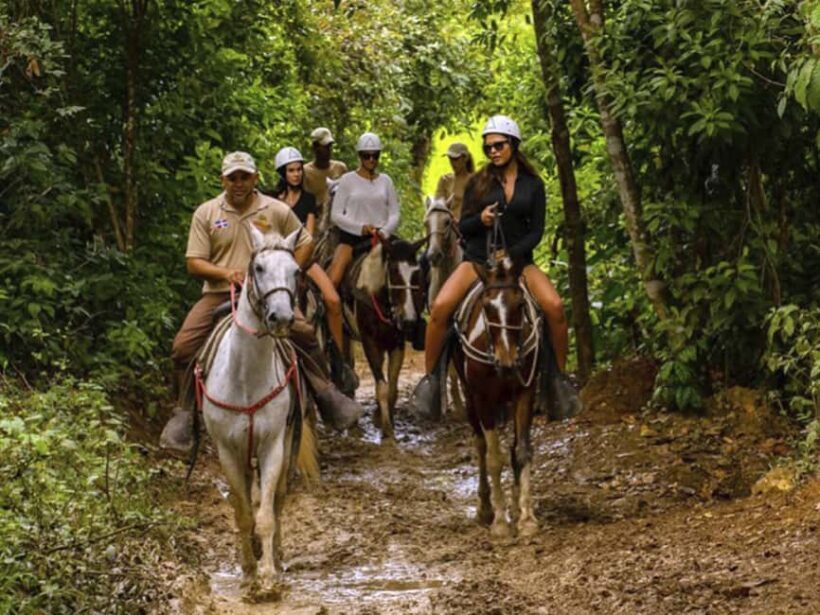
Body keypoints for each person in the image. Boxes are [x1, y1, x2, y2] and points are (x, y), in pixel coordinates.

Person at [160, 151, 362, 453]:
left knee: (304, 333)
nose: (239, 183)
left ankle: (326, 394)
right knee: (182, 346)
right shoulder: (207, 212)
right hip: (220, 292)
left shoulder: (275, 210)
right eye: (232, 178)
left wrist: (288, 273)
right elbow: (194, 262)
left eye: (245, 177)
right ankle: (185, 411)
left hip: (270, 292)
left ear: (255, 178)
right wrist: (227, 273)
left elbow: (305, 242)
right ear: (223, 180)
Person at [411, 115, 570, 413]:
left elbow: (536, 231)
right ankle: (431, 382)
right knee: (441, 308)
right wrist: (481, 220)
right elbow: (464, 226)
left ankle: (558, 382)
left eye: (499, 145)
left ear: (513, 145)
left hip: (519, 262)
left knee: (555, 307)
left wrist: (512, 255)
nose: (493, 151)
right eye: (488, 148)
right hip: (479, 260)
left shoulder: (533, 185)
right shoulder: (477, 183)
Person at [270, 146, 352, 388]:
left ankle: (338, 360)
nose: (296, 174)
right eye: (291, 171)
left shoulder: (308, 200)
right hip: (278, 258)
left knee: (333, 300)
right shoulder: (272, 201)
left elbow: (310, 233)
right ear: (282, 173)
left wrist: (300, 261)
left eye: (298, 170)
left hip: (304, 257)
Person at [327, 132, 400, 288]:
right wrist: (360, 228)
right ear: (360, 156)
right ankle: (324, 308)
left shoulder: (386, 181)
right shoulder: (347, 180)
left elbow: (394, 212)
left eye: (375, 155)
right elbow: (336, 215)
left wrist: (385, 231)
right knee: (333, 280)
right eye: (367, 156)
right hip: (352, 238)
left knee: (408, 264)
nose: (371, 160)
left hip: (381, 237)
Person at [303, 127, 348, 232]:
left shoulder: (340, 168)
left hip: (339, 223)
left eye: (329, 146)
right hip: (316, 225)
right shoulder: (305, 172)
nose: (328, 150)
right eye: (324, 147)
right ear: (315, 147)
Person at [434, 141, 475, 220]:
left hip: (468, 226)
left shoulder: (475, 180)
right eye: (450, 159)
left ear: (465, 158)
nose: (452, 163)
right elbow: (438, 204)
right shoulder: (445, 180)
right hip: (447, 225)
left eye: (456, 159)